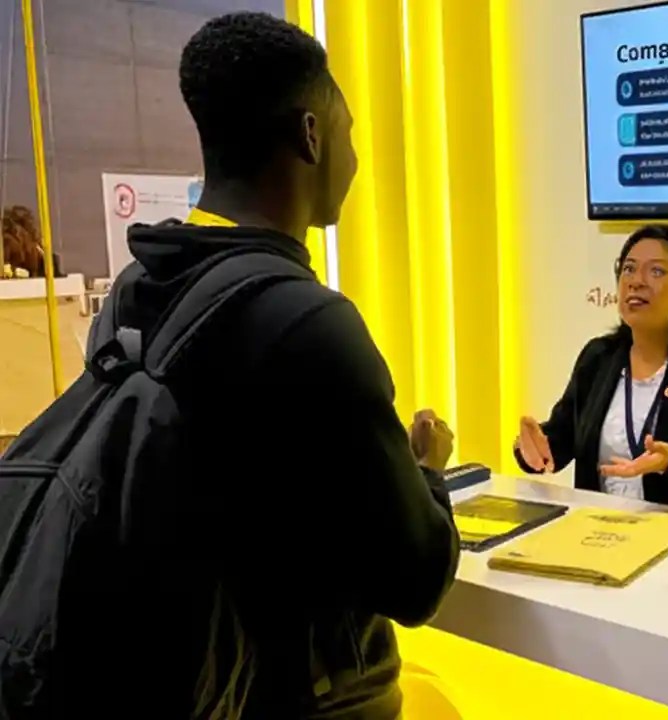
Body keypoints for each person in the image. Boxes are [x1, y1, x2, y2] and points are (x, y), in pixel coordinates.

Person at [108, 13, 457, 718]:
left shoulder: (132, 293)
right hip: (304, 695)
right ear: (311, 136)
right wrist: (426, 470)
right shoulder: (309, 323)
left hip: (172, 681)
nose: (355, 160)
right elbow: (415, 582)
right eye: (351, 133)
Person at [515, 224, 668, 512]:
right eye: (628, 269)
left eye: (656, 271)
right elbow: (560, 441)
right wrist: (532, 450)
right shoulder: (598, 358)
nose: (636, 281)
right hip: (595, 528)